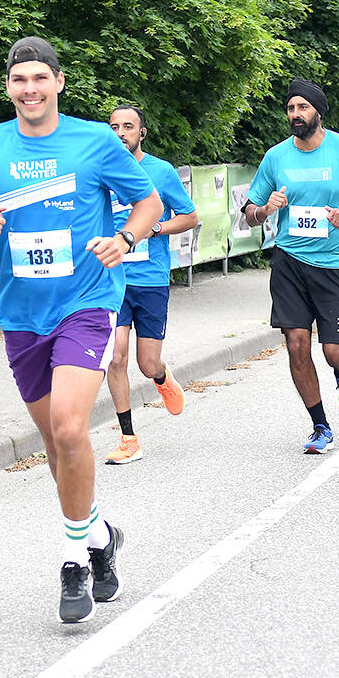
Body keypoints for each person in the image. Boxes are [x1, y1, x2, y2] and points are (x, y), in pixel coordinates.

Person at [0, 37, 164, 623]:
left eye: (40, 78)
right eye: (19, 80)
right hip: (21, 314)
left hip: (86, 303)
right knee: (56, 444)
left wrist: (126, 239)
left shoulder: (93, 141)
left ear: (59, 82)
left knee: (69, 427)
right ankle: (98, 536)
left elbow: (148, 202)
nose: (30, 89)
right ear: (8, 87)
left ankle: (72, 563)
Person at [242, 78, 339, 453]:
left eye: (302, 108)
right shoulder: (276, 157)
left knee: (334, 351)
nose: (295, 115)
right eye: (291, 108)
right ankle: (320, 425)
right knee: (295, 344)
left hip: (336, 263)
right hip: (290, 261)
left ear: (318, 112)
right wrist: (264, 209)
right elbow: (249, 212)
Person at [104, 104, 198, 464]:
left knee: (146, 363)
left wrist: (155, 227)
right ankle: (129, 439)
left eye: (127, 127)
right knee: (115, 357)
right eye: (114, 127)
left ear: (141, 133)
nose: (120, 133)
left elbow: (190, 216)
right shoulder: (100, 172)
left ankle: (160, 377)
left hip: (150, 277)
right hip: (111, 278)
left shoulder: (160, 171)